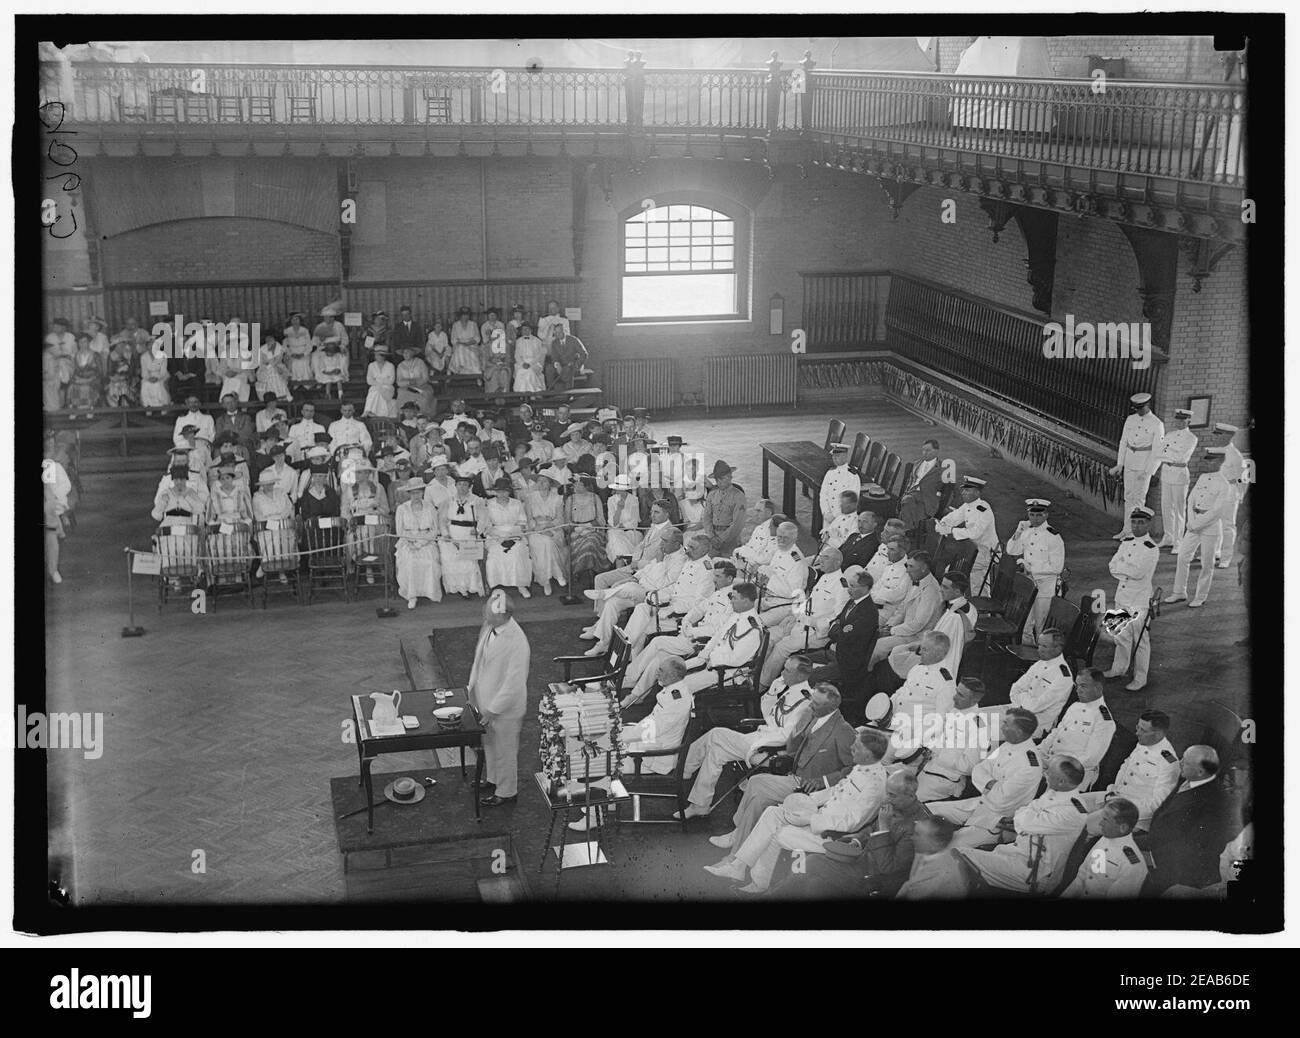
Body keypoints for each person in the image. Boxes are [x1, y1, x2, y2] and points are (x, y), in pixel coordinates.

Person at [705, 726, 890, 894]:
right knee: (772, 812)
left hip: (832, 836)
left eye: (856, 747)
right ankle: (739, 866)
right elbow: (837, 789)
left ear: (868, 753)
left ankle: (758, 882)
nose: (851, 749)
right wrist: (809, 800)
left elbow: (852, 821)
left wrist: (810, 818)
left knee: (779, 833)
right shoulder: (863, 768)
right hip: (821, 817)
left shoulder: (875, 783)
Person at [704, 683, 860, 871]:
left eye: (815, 703)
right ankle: (736, 853)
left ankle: (735, 848)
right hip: (795, 775)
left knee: (757, 785)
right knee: (757, 793)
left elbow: (854, 768)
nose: (810, 705)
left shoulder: (843, 731)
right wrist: (801, 725)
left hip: (811, 786)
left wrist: (822, 781)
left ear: (832, 707)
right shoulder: (814, 716)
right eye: (811, 700)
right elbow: (793, 748)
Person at [678, 655, 816, 819]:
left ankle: (682, 769)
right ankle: (699, 804)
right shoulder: (790, 690)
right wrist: (773, 690)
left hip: (769, 750)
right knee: (716, 752)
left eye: (787, 670)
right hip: (760, 738)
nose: (782, 672)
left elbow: (786, 736)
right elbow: (769, 716)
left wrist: (757, 745)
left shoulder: (805, 702)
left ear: (800, 676)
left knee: (716, 734)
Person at [957, 754, 1090, 893]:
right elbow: (1023, 815)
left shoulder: (1073, 812)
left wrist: (1027, 815)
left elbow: (1024, 822)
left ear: (1061, 781)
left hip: (1033, 874)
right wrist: (1027, 815)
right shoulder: (1057, 793)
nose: (1045, 774)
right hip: (1017, 854)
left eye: (1049, 773)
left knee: (960, 857)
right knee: (960, 858)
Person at [621, 560, 739, 703]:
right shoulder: (717, 593)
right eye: (714, 575)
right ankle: (637, 695)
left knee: (658, 642)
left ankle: (629, 675)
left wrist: (694, 630)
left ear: (730, 579)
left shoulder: (733, 600)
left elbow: (719, 629)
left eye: (718, 576)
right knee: (658, 659)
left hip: (702, 643)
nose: (714, 579)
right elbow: (699, 609)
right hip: (690, 636)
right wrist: (687, 620)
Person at [928, 707, 1043, 849]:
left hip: (997, 821)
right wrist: (991, 784)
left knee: (951, 846)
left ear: (1018, 732)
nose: (1002, 726)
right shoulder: (1008, 745)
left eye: (1006, 724)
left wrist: (987, 782)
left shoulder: (1028, 765)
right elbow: (978, 769)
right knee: (927, 810)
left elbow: (1001, 800)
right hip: (981, 803)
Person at [1142, 745, 1238, 896]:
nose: (1179, 763)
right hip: (1155, 844)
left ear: (1200, 771)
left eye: (1185, 762)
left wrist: (1152, 858)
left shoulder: (1215, 802)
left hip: (1173, 867)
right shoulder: (1191, 779)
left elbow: (1194, 845)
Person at [469, 590, 531, 807]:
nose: (484, 615)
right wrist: (472, 691)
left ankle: (506, 791)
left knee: (505, 749)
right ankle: (493, 779)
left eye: (488, 612)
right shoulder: (489, 627)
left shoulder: (517, 641)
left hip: (504, 708)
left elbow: (513, 683)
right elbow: (479, 661)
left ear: (503, 616)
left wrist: (493, 710)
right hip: (484, 699)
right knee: (490, 744)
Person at [582, 528, 687, 655]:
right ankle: (603, 643)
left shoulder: (680, 560)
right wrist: (634, 577)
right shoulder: (666, 553)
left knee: (629, 587)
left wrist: (659, 562)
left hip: (654, 596)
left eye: (665, 541)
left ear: (676, 544)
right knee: (612, 603)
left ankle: (604, 593)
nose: (661, 544)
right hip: (641, 588)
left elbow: (662, 584)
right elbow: (646, 569)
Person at [1076, 709, 1179, 831]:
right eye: (1138, 727)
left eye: (1143, 730)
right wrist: (1113, 792)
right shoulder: (1145, 742)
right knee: (1071, 804)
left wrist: (1121, 807)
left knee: (1080, 827)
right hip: (1114, 796)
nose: (1137, 733)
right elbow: (1126, 765)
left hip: (1130, 815)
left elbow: (1157, 804)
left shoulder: (1168, 763)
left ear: (1158, 734)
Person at [759, 545, 847, 687]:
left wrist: (813, 623)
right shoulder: (824, 577)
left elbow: (836, 617)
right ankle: (755, 672)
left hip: (814, 634)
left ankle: (762, 684)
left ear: (837, 563)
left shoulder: (841, 586)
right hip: (799, 624)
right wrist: (794, 617)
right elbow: (808, 603)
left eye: (826, 558)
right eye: (821, 557)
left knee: (782, 647)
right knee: (769, 637)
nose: (821, 561)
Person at [806, 566, 879, 723]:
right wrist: (837, 628)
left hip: (847, 663)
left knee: (809, 675)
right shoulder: (853, 602)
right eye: (849, 585)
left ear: (865, 588)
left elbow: (840, 634)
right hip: (836, 652)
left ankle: (811, 716)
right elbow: (836, 622)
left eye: (853, 586)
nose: (848, 589)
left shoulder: (868, 612)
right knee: (800, 659)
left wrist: (837, 629)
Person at [1165, 446, 1235, 608]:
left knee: (1207, 564)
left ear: (1220, 462)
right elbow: (1191, 499)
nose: (1208, 464)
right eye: (1207, 460)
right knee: (1182, 557)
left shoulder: (1225, 485)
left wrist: (1195, 524)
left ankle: (1201, 596)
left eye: (1211, 461)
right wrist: (1191, 521)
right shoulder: (1203, 477)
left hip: (1210, 528)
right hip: (1193, 524)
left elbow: (1216, 511)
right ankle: (1179, 592)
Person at [912, 677, 1001, 803]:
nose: (954, 697)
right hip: (927, 766)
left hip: (946, 779)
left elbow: (968, 766)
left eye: (961, 695)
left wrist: (937, 751)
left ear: (975, 700)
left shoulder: (980, 727)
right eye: (956, 691)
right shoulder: (955, 710)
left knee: (906, 800)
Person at [1103, 505, 1160, 691]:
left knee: (1141, 640)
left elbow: (1138, 573)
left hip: (1139, 599)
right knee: (1121, 634)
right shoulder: (1126, 541)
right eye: (1134, 522)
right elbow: (1112, 565)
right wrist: (1124, 569)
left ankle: (1140, 677)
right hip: (1122, 595)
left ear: (1148, 524)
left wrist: (1123, 568)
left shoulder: (1151, 548)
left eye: (1141, 523)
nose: (1136, 526)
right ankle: (1118, 668)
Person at [1039, 667, 1116, 791]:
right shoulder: (1075, 706)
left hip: (1072, 775)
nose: (1078, 691)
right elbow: (1056, 733)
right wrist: (1040, 750)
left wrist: (1055, 764)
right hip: (1051, 762)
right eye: (1077, 686)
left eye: (1083, 686)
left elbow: (1090, 758)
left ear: (1098, 688)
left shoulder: (1104, 720)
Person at [1056, 797, 1148, 898]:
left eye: (1105, 820)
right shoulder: (1105, 839)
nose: (1100, 823)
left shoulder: (1133, 865)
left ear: (1123, 828)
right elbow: (1082, 876)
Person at [619, 658, 696, 777]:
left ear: (673, 676)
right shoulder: (675, 690)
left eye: (661, 670)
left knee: (604, 763)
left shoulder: (675, 700)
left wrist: (624, 737)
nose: (657, 673)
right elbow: (653, 722)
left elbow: (654, 729)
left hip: (654, 757)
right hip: (653, 742)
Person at [1004, 498, 1065, 644]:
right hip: (1028, 585)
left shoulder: (1053, 537)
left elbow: (1057, 567)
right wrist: (1018, 531)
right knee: (1024, 625)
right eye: (1032, 515)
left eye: (1039, 515)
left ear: (1046, 515)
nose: (1035, 519)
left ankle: (1042, 656)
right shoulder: (1027, 532)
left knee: (1041, 627)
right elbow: (1011, 550)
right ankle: (1028, 656)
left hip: (1044, 589)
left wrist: (1030, 567)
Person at [868, 549, 943, 666]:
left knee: (877, 647)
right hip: (904, 630)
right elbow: (902, 608)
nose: (907, 571)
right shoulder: (914, 579)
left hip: (916, 637)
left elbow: (918, 624)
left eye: (911, 567)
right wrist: (889, 626)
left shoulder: (931, 591)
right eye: (906, 565)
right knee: (868, 634)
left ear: (924, 568)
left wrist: (892, 631)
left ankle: (865, 677)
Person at [1109, 392, 1165, 539]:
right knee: (1128, 497)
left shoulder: (1156, 424)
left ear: (1147, 405)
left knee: (1139, 499)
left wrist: (1149, 471)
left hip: (1143, 466)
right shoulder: (1131, 419)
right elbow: (1123, 442)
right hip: (1129, 462)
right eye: (1137, 408)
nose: (1138, 411)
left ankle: (1135, 532)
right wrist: (1120, 464)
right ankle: (1126, 529)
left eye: (1141, 408)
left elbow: (1158, 451)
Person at [934, 474, 998, 595]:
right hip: (972, 550)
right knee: (977, 585)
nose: (963, 492)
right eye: (963, 489)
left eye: (967, 490)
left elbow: (974, 533)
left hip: (985, 553)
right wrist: (943, 524)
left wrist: (950, 530)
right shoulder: (968, 506)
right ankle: (976, 607)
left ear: (977, 493)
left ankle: (955, 601)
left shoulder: (983, 509)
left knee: (954, 573)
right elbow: (953, 517)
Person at [1008, 629, 1074, 738]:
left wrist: (1022, 698)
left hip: (1034, 725)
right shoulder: (1040, 663)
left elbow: (1034, 707)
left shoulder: (1063, 677)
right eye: (1039, 645)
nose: (1039, 650)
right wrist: (1021, 704)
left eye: (1044, 646)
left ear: (1058, 649)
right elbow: (1014, 690)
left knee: (985, 732)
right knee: (976, 717)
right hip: (1016, 711)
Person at [394, 477, 442, 609]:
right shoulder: (402, 509)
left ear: (422, 492)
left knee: (430, 561)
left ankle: (429, 591)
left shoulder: (430, 507)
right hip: (408, 541)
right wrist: (411, 543)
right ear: (409, 494)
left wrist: (422, 543)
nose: (416, 495)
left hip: (426, 541)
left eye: (418, 492)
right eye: (413, 492)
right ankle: (412, 595)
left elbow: (435, 529)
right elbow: (400, 531)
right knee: (410, 562)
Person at [1152, 407, 1197, 547]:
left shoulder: (1191, 438)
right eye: (1177, 419)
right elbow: (1158, 453)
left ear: (1188, 421)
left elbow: (1181, 457)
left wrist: (1168, 451)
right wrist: (1171, 452)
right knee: (1166, 507)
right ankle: (1168, 537)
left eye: (1182, 420)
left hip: (1179, 474)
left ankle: (1178, 541)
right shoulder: (1170, 435)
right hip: (1166, 472)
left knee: (1179, 508)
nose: (1179, 422)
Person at [895, 817, 969, 900]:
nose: (912, 838)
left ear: (936, 843)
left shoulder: (938, 877)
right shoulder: (925, 850)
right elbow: (910, 883)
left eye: (918, 834)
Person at [439, 472, 485, 598]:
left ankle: (471, 586)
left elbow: (483, 518)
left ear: (469, 486)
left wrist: (478, 530)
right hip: (453, 532)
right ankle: (459, 587)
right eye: (459, 484)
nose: (462, 487)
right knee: (452, 560)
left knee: (469, 562)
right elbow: (442, 519)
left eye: (465, 485)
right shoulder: (449, 500)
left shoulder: (477, 500)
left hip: (469, 532)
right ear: (455, 486)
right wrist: (445, 534)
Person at [525, 469, 569, 596]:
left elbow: (560, 519)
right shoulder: (530, 498)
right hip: (535, 530)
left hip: (553, 529)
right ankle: (547, 581)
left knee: (549, 542)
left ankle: (553, 576)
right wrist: (538, 528)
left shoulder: (557, 499)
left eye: (545, 481)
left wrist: (548, 526)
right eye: (539, 481)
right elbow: (529, 519)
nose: (542, 483)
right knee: (544, 543)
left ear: (550, 483)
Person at [753, 521, 808, 617]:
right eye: (779, 537)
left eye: (785, 538)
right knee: (742, 609)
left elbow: (794, 592)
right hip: (770, 599)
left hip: (784, 605)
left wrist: (769, 580)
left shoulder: (796, 561)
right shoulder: (780, 550)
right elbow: (771, 571)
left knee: (755, 623)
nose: (781, 540)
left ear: (794, 539)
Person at [252, 466, 296, 583]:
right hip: (266, 527)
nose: (269, 486)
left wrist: (281, 520)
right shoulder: (257, 497)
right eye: (266, 483)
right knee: (275, 535)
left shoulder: (281, 492)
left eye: (271, 483)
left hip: (283, 524)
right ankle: (277, 569)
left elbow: (289, 508)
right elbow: (259, 517)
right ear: (261, 484)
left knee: (282, 534)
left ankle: (266, 564)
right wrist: (273, 524)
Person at [1213, 421, 1248, 567]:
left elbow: (1244, 478)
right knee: (1214, 523)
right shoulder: (1216, 451)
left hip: (1230, 491)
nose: (1217, 438)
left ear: (1228, 437)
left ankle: (1226, 557)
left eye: (1219, 435)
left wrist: (1240, 495)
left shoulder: (1235, 455)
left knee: (1228, 525)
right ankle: (1214, 552)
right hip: (1216, 490)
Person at [697, 460, 748, 555]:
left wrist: (720, 539)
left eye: (722, 479)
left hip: (730, 540)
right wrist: (711, 536)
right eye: (717, 479)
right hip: (713, 538)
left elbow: (738, 523)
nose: (719, 482)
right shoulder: (712, 495)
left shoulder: (738, 496)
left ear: (730, 477)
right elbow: (706, 517)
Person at [897, 438, 947, 531]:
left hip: (927, 499)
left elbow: (948, 489)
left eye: (928, 450)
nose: (924, 453)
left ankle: (905, 529)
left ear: (936, 451)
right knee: (909, 502)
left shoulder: (942, 469)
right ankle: (908, 530)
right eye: (923, 450)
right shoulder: (917, 463)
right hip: (913, 493)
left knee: (908, 506)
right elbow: (910, 481)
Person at [566, 472, 607, 584]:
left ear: (586, 486)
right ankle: (578, 570)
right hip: (576, 531)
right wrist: (577, 529)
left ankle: (593, 571)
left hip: (593, 529)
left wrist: (588, 526)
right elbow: (567, 521)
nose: (576, 486)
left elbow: (601, 520)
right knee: (578, 543)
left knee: (591, 542)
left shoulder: (595, 498)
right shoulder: (570, 499)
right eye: (575, 484)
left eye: (579, 484)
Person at [818, 443, 859, 533]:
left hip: (844, 518)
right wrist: (825, 512)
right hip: (828, 517)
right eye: (833, 456)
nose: (834, 458)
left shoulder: (852, 476)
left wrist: (834, 515)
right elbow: (823, 494)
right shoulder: (830, 473)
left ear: (845, 457)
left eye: (838, 456)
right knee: (826, 539)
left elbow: (851, 501)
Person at [65, 333, 103, 409]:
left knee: (87, 387)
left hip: (93, 379)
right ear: (78, 344)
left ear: (89, 342)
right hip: (80, 379)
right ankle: (76, 409)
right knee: (72, 387)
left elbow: (100, 372)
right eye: (80, 342)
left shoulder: (95, 354)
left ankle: (89, 408)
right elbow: (76, 371)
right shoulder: (76, 355)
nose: (82, 344)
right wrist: (78, 379)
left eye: (85, 342)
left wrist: (89, 379)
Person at [546, 324, 588, 391]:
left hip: (573, 365)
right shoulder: (554, 342)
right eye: (556, 333)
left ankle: (568, 393)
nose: (557, 334)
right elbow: (554, 357)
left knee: (567, 369)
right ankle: (551, 391)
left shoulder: (573, 340)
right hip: (561, 365)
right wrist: (557, 365)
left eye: (559, 332)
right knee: (549, 368)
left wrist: (576, 364)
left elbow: (584, 354)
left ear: (564, 331)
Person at [480, 309, 513, 394]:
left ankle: (504, 396)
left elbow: (508, 360)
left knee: (503, 373)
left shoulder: (505, 346)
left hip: (503, 367)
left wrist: (502, 365)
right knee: (494, 374)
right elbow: (485, 362)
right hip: (491, 368)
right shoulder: (486, 347)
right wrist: (494, 366)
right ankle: (492, 396)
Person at [395, 345, 434, 414]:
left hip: (422, 386)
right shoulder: (400, 366)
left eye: (407, 352)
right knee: (402, 394)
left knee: (424, 395)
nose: (405, 354)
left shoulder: (420, 362)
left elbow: (425, 377)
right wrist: (408, 382)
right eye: (404, 353)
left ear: (412, 353)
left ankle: (421, 415)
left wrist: (417, 383)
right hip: (406, 388)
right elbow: (398, 382)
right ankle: (405, 416)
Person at [283, 312, 316, 392]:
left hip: (304, 352)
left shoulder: (305, 330)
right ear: (290, 321)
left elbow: (309, 345)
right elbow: (285, 345)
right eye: (293, 319)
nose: (295, 321)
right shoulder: (287, 331)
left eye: (297, 319)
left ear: (300, 320)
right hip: (292, 353)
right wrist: (291, 354)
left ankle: (306, 384)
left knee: (303, 362)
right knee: (294, 363)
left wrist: (303, 354)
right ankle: (295, 384)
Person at [363, 344, 398, 418]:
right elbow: (369, 380)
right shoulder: (371, 365)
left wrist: (379, 381)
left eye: (380, 355)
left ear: (384, 356)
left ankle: (372, 412)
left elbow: (391, 380)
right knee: (374, 392)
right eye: (376, 355)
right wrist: (381, 382)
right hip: (375, 387)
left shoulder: (390, 366)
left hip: (388, 388)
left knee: (378, 391)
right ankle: (370, 411)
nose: (378, 357)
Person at [255, 334, 291, 402]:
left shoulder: (282, 349)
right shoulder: (261, 349)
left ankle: (279, 395)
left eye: (271, 339)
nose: (269, 341)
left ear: (275, 339)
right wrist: (270, 365)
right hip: (264, 370)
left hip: (280, 369)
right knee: (272, 371)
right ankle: (278, 396)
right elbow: (260, 364)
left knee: (274, 372)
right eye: (267, 339)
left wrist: (286, 370)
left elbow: (287, 360)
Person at [449, 307, 482, 375]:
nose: (465, 317)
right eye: (463, 315)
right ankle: (460, 370)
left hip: (471, 345)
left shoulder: (473, 324)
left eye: (467, 315)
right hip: (459, 345)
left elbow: (477, 338)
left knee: (470, 353)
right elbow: (453, 339)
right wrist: (462, 343)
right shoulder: (455, 325)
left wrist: (469, 343)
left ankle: (476, 373)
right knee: (460, 349)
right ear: (460, 316)